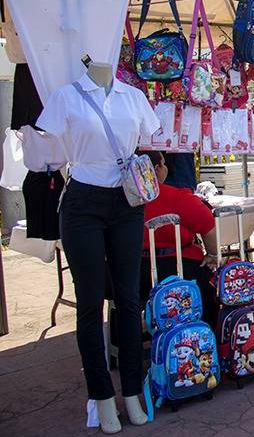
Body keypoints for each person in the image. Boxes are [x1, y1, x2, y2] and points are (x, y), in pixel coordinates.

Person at [37, 64, 158, 432]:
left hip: (127, 200)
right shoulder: (65, 97)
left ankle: (134, 392)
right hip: (83, 202)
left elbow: (150, 137)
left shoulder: (133, 97)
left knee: (129, 299)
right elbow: (51, 153)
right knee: (90, 303)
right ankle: (102, 396)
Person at [138, 151, 220, 324]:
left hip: (136, 274)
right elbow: (208, 227)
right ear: (157, 169)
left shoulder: (123, 199)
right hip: (180, 271)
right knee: (208, 287)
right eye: (163, 163)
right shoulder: (178, 196)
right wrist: (212, 255)